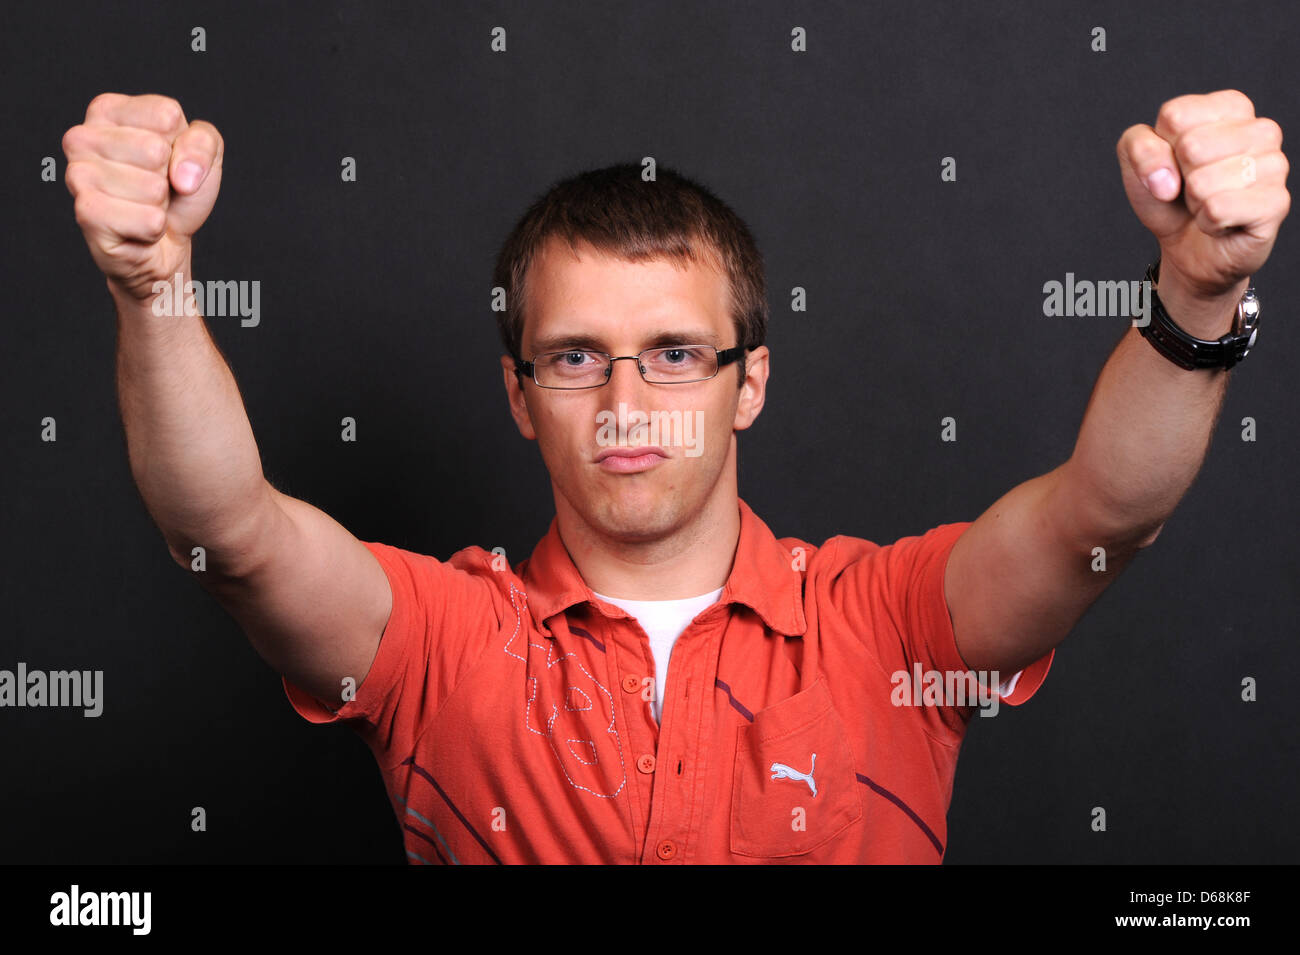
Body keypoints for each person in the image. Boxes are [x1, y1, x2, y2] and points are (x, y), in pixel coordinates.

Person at [62, 90, 1289, 863]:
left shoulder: (895, 622)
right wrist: (153, 289)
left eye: (675, 354)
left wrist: (1196, 295)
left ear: (747, 382)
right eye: (575, 357)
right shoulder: (438, 637)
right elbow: (226, 527)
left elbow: (1107, 513)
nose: (627, 404)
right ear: (519, 396)